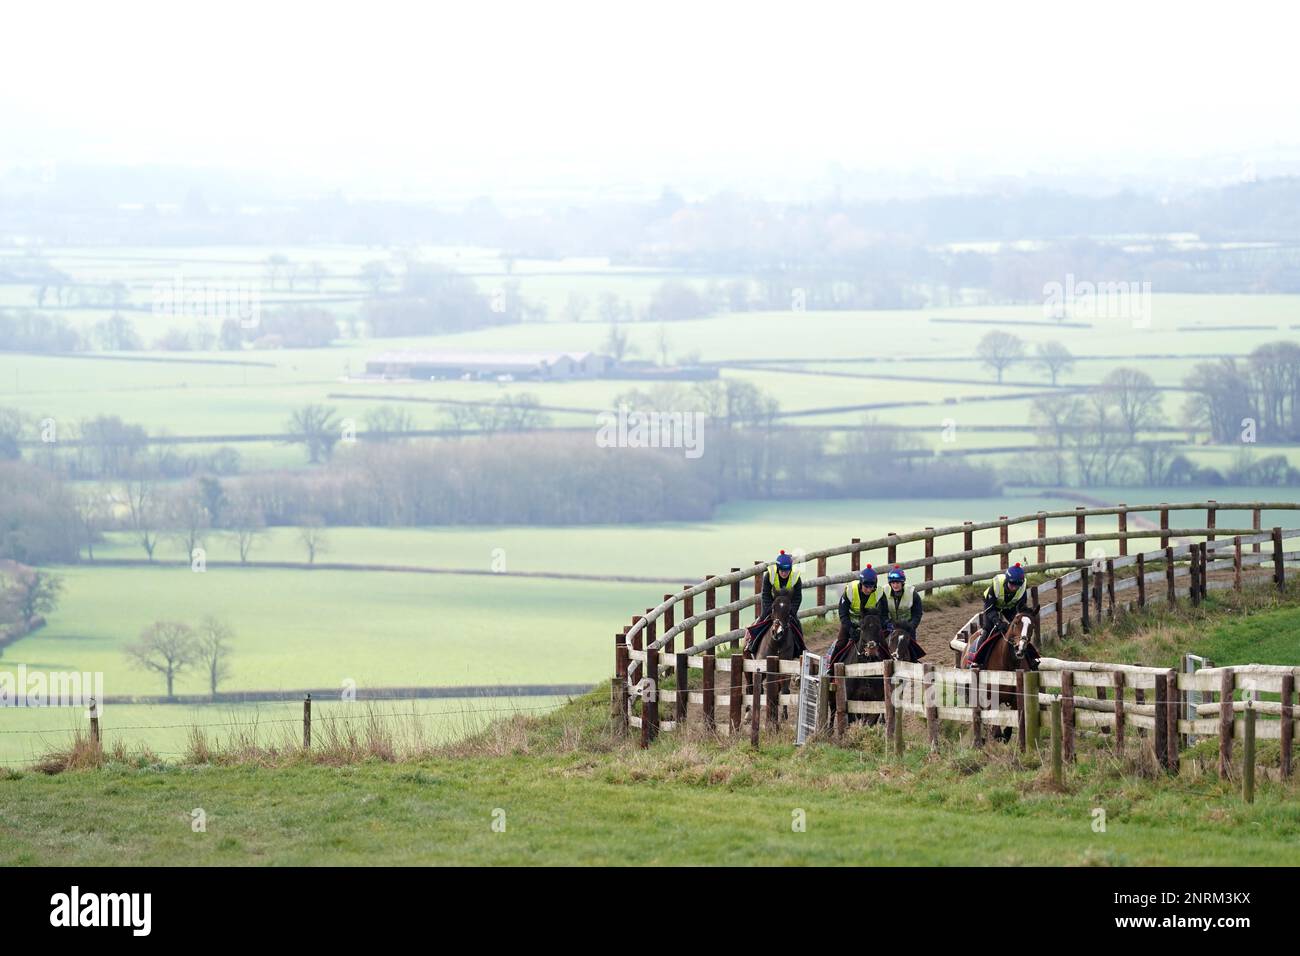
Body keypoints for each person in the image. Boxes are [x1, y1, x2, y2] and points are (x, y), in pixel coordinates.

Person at [744, 550, 806, 656]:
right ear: (778, 568)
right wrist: (770, 609)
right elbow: (765, 595)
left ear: (790, 568)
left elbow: (797, 598)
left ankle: (801, 650)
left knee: (797, 625)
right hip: (772, 607)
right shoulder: (769, 575)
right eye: (782, 569)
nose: (784, 572)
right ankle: (751, 644)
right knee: (761, 620)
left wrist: (791, 611)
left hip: (787, 609)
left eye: (787, 570)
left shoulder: (796, 577)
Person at [825, 565, 883, 669]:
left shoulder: (879, 593)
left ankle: (890, 670)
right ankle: (831, 670)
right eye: (866, 586)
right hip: (850, 623)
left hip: (870, 625)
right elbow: (843, 613)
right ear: (861, 584)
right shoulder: (850, 591)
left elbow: (883, 613)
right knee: (840, 644)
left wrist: (879, 626)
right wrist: (851, 630)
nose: (869, 589)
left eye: (871, 586)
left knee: (884, 644)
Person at [878, 565, 925, 659]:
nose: (895, 585)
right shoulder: (883, 592)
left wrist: (912, 625)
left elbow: (917, 613)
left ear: (902, 582)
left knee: (912, 651)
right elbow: (881, 612)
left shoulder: (912, 593)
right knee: (879, 648)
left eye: (897, 583)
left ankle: (913, 661)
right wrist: (887, 623)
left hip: (907, 627)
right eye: (893, 583)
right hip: (889, 626)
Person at [982, 562, 1028, 634]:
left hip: (1009, 608)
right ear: (1006, 581)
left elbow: (1022, 609)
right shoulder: (996, 586)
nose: (1014, 588)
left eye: (1017, 586)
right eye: (1012, 584)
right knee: (987, 630)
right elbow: (989, 610)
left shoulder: (1022, 589)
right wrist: (998, 622)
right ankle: (979, 645)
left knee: (1019, 627)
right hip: (993, 607)